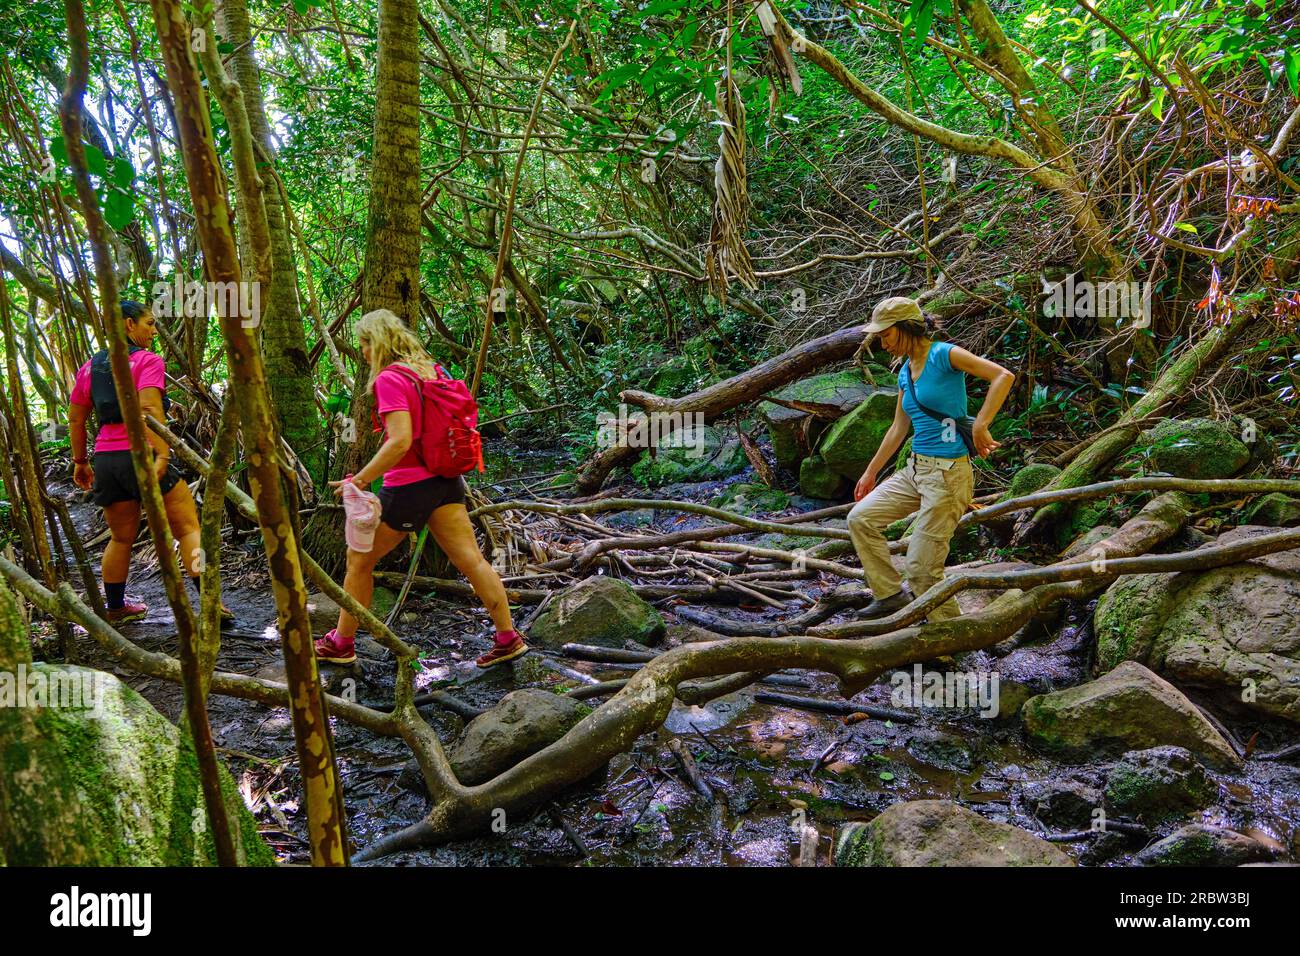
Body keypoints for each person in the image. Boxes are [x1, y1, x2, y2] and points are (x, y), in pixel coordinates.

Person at [313, 308, 528, 668]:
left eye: (364, 345)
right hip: (446, 481)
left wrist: (360, 479)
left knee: (359, 559)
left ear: (376, 342)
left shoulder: (390, 379)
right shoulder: (431, 369)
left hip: (411, 487)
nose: (363, 353)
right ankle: (508, 638)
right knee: (472, 561)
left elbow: (400, 440)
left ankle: (341, 642)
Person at [847, 297, 1015, 621]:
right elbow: (898, 428)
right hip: (915, 471)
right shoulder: (905, 373)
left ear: (906, 328)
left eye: (886, 335)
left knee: (922, 571)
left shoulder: (943, 354)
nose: (882, 343)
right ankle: (891, 596)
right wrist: (869, 474)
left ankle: (952, 638)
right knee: (860, 519)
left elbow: (1002, 376)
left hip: (949, 477)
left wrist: (981, 423)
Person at [69, 300, 232, 626]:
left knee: (120, 538)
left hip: (107, 460)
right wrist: (163, 454)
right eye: (149, 324)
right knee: (188, 528)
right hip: (143, 452)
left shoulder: (89, 367)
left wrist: (80, 462)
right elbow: (150, 410)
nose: (154, 331)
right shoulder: (147, 361)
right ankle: (213, 604)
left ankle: (115, 607)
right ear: (129, 325)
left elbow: (75, 418)